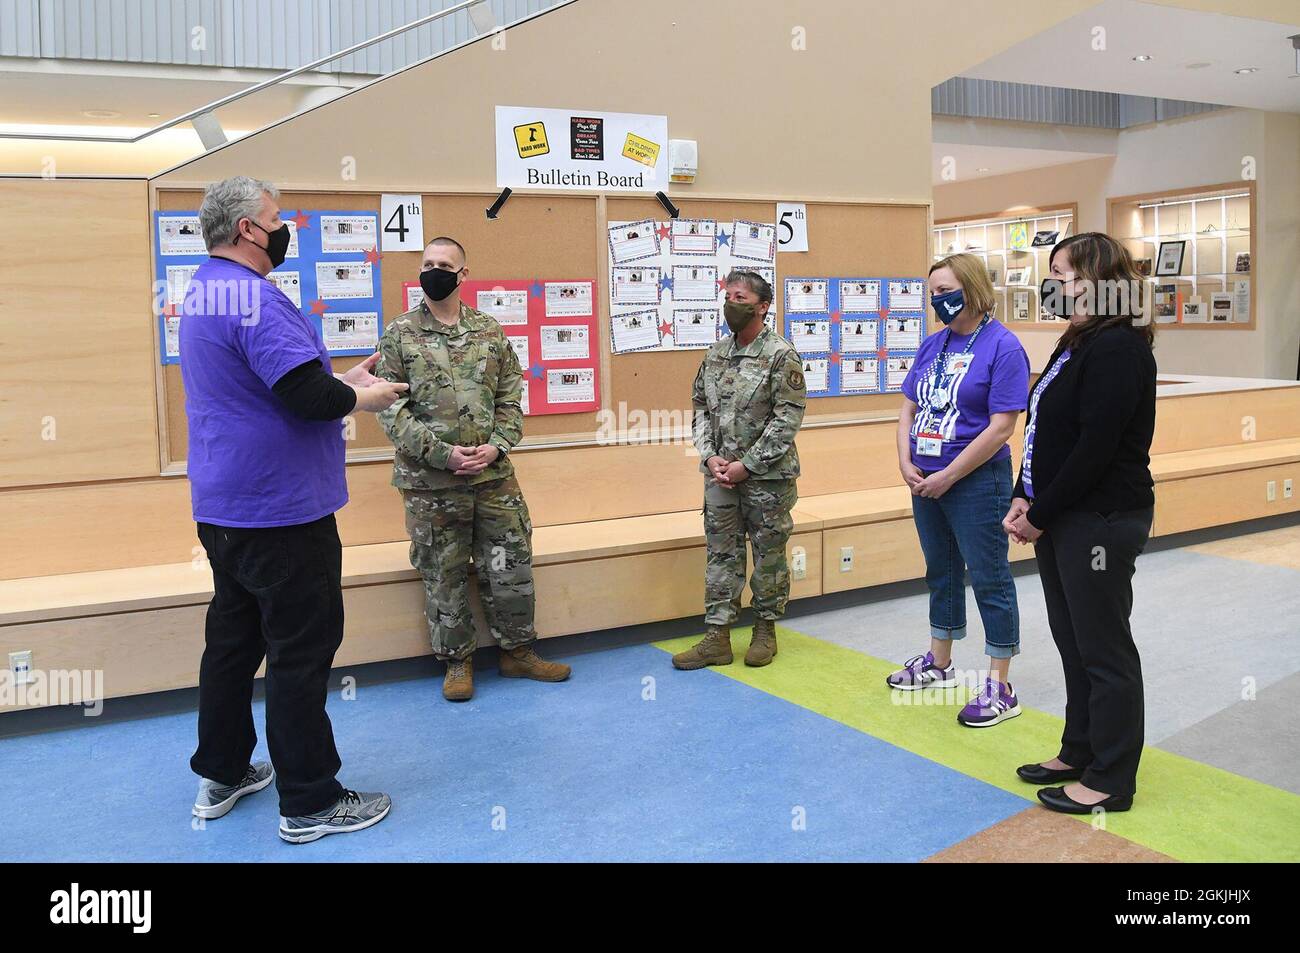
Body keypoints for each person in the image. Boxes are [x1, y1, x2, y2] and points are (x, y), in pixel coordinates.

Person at [182, 176, 406, 843]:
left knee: (231, 641)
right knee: (299, 651)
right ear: (248, 229)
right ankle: (309, 799)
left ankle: (221, 772)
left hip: (224, 507)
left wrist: (338, 383)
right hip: (281, 513)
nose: (285, 231)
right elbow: (306, 398)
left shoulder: (202, 290)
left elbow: (275, 388)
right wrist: (366, 396)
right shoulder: (253, 298)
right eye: (278, 220)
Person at [376, 237, 570, 702]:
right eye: (427, 264)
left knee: (510, 564)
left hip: (493, 478)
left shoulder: (490, 332)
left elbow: (510, 397)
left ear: (463, 275)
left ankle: (518, 651)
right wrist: (444, 455)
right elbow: (390, 410)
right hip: (432, 483)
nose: (434, 271)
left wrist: (497, 447)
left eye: (444, 264)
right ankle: (457, 662)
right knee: (443, 572)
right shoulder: (398, 334)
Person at [1005, 232, 1157, 814]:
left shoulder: (1117, 348)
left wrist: (1039, 515)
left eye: (1064, 274)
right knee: (1074, 642)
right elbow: (1045, 429)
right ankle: (1081, 749)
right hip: (1063, 513)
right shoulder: (1077, 339)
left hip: (1100, 518)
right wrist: (1024, 495)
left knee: (1104, 649)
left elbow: (1095, 448)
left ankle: (1112, 778)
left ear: (1099, 279)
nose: (1056, 286)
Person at [887, 253, 1030, 728]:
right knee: (941, 571)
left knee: (989, 576)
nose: (938, 301)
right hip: (925, 479)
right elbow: (908, 408)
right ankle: (940, 661)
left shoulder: (1003, 348)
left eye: (946, 292)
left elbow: (1001, 428)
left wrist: (950, 474)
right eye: (932, 295)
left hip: (975, 480)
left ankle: (999, 684)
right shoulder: (934, 345)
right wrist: (906, 461)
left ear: (972, 289)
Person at [673, 269, 806, 670]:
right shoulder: (715, 354)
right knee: (721, 556)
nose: (732, 304)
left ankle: (765, 629)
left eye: (741, 298)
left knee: (768, 555)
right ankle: (717, 637)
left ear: (762, 307)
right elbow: (700, 408)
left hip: (767, 479)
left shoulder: (782, 355)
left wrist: (747, 466)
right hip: (719, 478)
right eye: (728, 296)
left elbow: (787, 420)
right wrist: (710, 455)